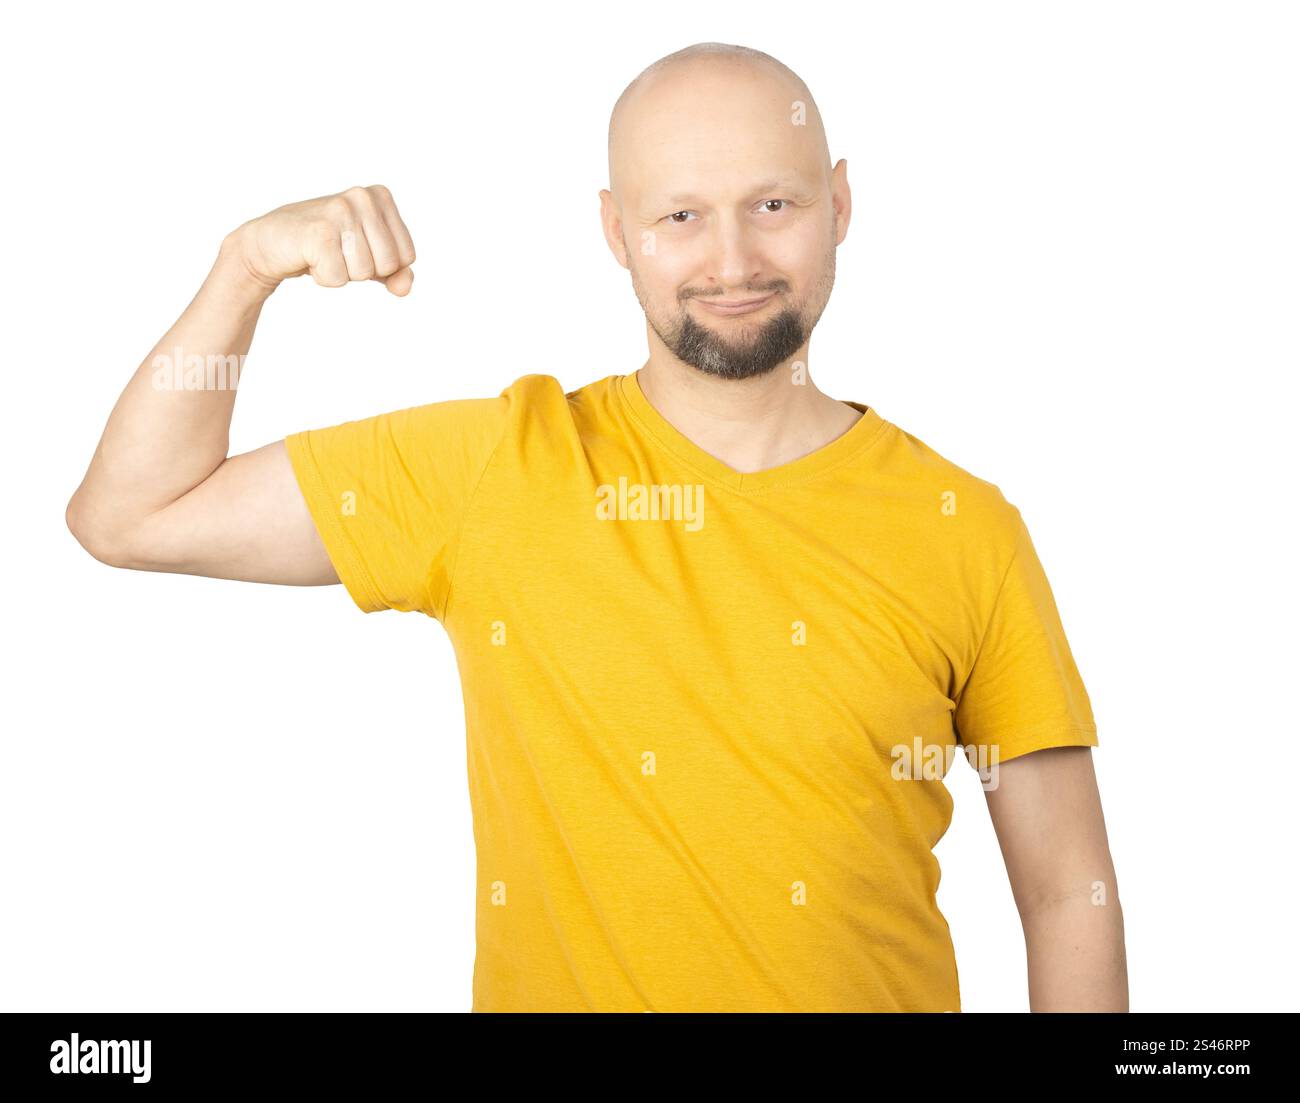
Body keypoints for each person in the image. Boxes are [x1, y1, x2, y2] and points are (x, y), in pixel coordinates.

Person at [65, 41, 1126, 1012]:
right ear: (614, 229)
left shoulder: (963, 527)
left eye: (772, 203)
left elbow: (1065, 895)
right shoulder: (498, 467)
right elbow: (131, 514)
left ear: (839, 202)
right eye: (679, 215)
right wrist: (245, 266)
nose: (730, 260)